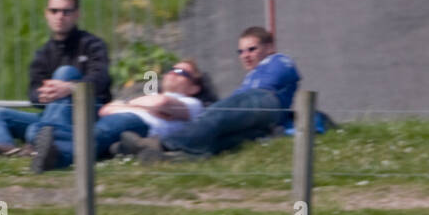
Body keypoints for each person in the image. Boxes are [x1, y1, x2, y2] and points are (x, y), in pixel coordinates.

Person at [120, 26, 299, 162]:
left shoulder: (279, 61)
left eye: (252, 49)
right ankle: (172, 157)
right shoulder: (252, 77)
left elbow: (259, 92)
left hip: (267, 102)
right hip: (263, 117)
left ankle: (160, 144)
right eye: (241, 51)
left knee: (219, 113)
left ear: (269, 47)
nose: (245, 55)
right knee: (225, 137)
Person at [0, 0, 111, 157]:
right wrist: (43, 95)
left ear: (77, 14)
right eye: (54, 11)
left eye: (66, 11)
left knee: (65, 73)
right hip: (50, 115)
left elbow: (100, 79)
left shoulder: (93, 45)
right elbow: (33, 91)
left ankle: (43, 139)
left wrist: (71, 88)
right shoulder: (43, 53)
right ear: (46, 14)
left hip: (88, 114)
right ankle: (4, 147)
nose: (60, 16)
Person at [30, 59, 210, 171]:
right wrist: (143, 105)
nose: (172, 73)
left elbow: (161, 103)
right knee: (93, 139)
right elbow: (105, 110)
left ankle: (45, 140)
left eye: (181, 72)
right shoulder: (150, 96)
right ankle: (55, 155)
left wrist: (130, 104)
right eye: (171, 69)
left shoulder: (193, 104)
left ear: (194, 87)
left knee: (93, 137)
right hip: (120, 119)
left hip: (141, 123)